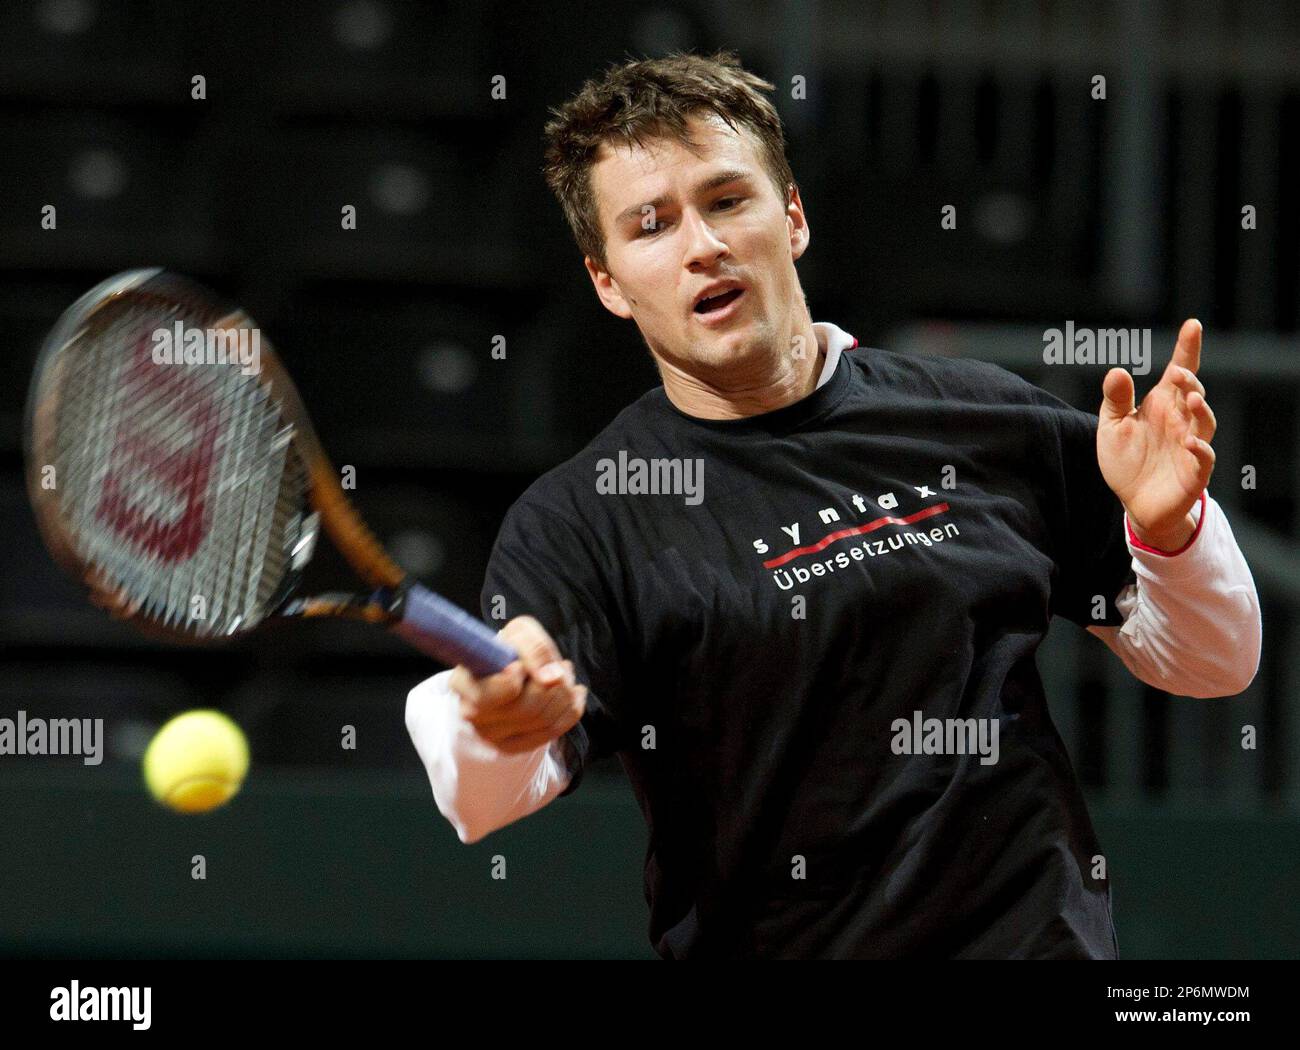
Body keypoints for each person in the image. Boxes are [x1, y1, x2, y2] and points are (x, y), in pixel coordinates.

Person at [405, 51, 1261, 958]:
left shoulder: (977, 415)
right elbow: (484, 797)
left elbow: (1214, 666)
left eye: (728, 200)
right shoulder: (583, 520)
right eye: (651, 225)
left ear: (794, 218)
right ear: (608, 282)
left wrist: (1172, 534)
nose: (704, 244)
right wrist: (491, 720)